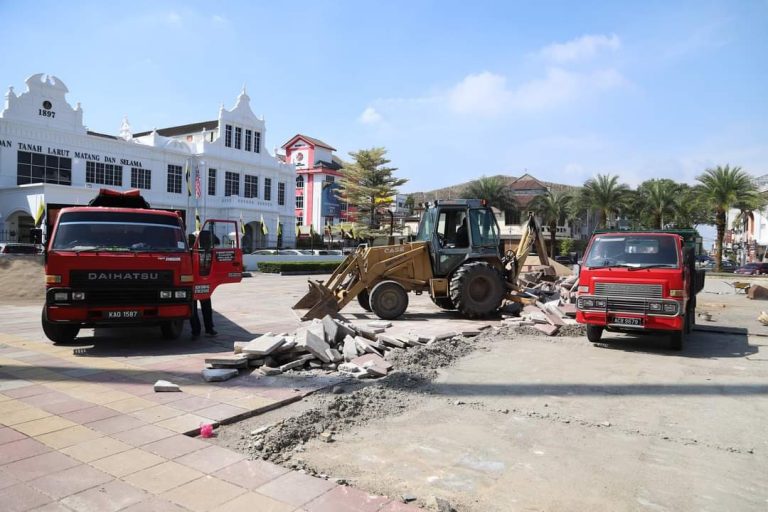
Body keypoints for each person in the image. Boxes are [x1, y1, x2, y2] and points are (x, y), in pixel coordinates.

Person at [187, 232, 217, 338]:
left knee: (200, 308)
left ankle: (203, 330)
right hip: (195, 283)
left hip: (200, 283)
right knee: (196, 309)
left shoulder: (204, 251)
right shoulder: (189, 253)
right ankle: (201, 330)